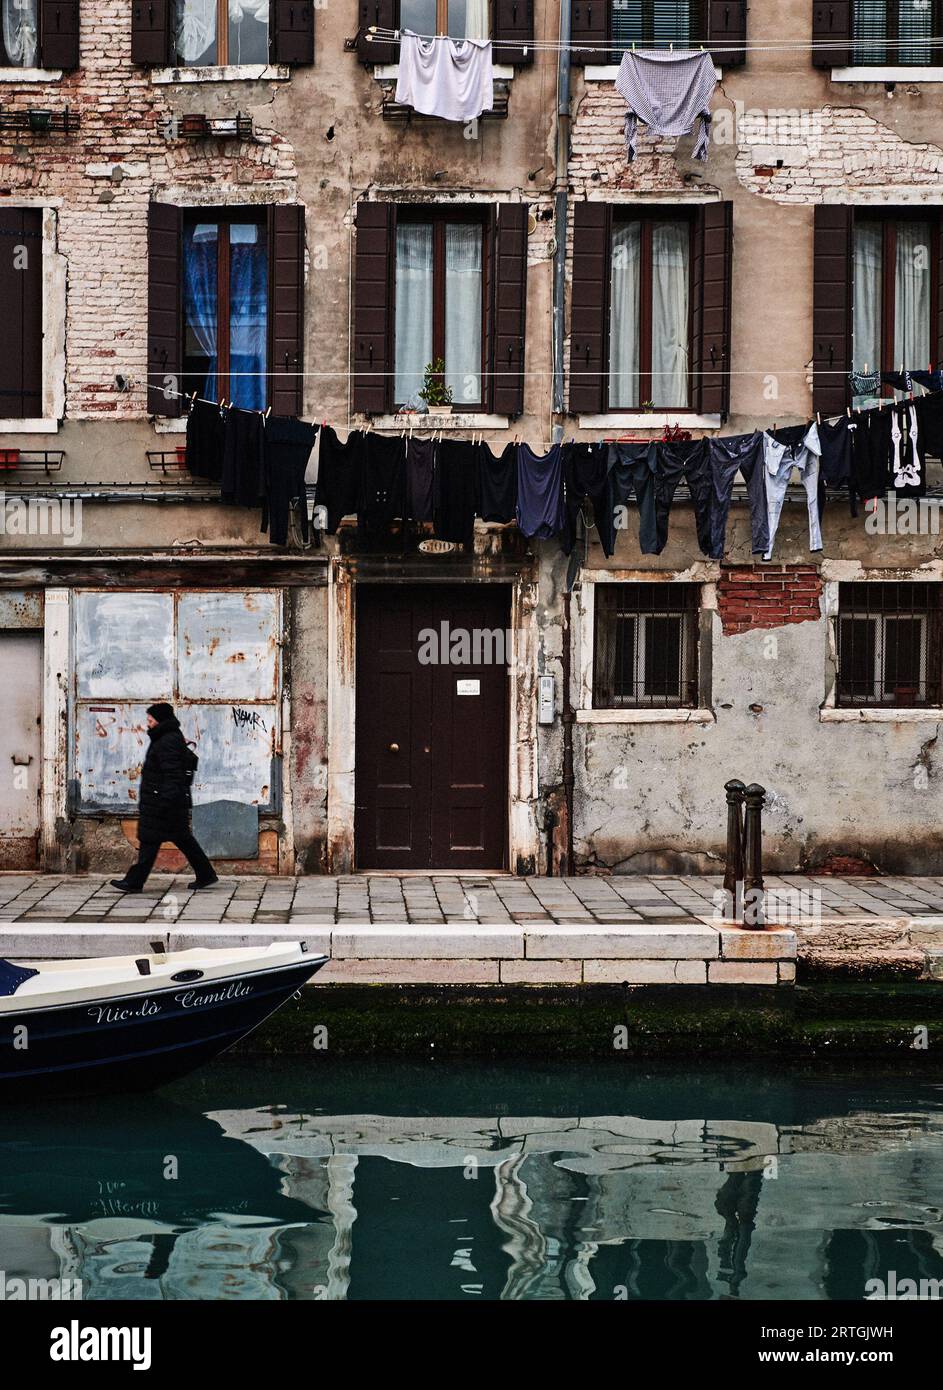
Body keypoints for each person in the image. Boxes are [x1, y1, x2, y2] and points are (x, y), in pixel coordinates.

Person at [110, 702, 219, 893]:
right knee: (175, 840)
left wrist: (164, 803)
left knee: (152, 841)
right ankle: (205, 874)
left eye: (150, 720)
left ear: (160, 720)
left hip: (164, 803)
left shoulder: (167, 740)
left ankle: (134, 882)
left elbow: (173, 775)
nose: (147, 723)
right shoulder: (165, 737)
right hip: (166, 802)